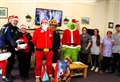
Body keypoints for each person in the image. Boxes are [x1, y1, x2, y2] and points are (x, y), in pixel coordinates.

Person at [1, 15, 22, 82]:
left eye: (16, 21)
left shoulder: (16, 28)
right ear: (10, 20)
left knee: (11, 62)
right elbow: (9, 38)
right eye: (13, 20)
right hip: (5, 47)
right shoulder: (6, 27)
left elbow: (19, 37)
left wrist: (19, 43)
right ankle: (5, 77)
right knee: (6, 63)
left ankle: (8, 74)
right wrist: (16, 46)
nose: (15, 22)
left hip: (12, 48)